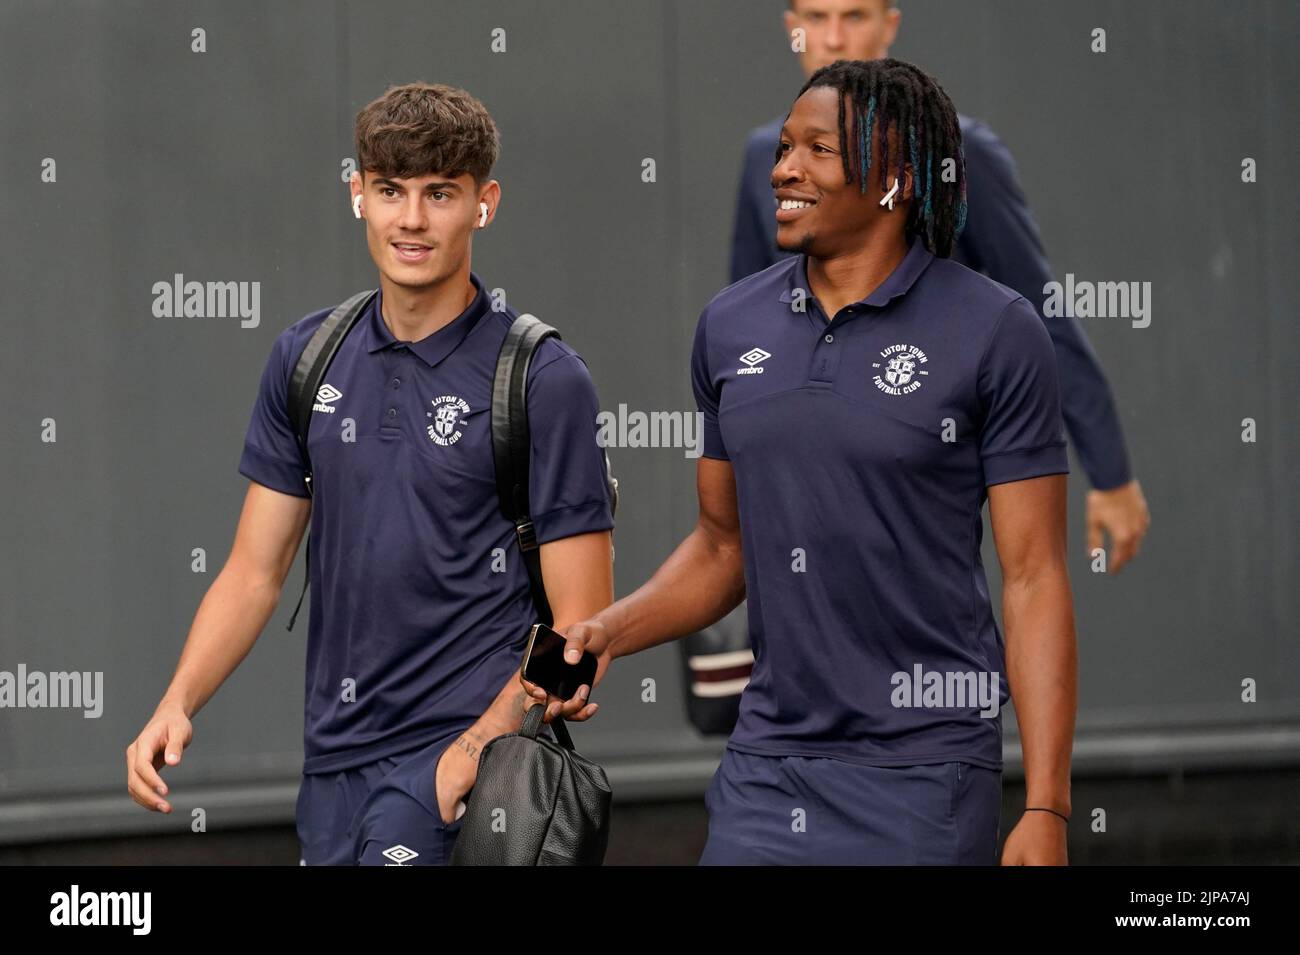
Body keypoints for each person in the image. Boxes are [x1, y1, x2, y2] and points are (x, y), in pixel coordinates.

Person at [529, 58, 1078, 864]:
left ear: (894, 175)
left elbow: (1034, 577)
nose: (784, 167)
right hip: (766, 769)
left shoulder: (997, 331)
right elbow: (724, 545)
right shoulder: (730, 325)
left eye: (817, 149)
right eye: (785, 147)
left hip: (926, 773)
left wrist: (1048, 805)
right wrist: (610, 629)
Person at [126, 82, 613, 865]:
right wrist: (177, 702)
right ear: (357, 193)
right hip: (331, 767)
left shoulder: (543, 378)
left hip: (458, 763)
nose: (411, 220)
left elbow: (584, 623)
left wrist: (474, 751)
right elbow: (254, 571)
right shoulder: (306, 356)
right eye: (389, 190)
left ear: (484, 202)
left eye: (439, 194)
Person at [731, 0, 1150, 566]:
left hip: (923, 453)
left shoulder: (958, 152)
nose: (832, 37)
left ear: (890, 26)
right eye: (815, 18)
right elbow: (751, 327)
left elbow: (1042, 312)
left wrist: (1111, 473)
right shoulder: (770, 159)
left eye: (853, 17)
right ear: (792, 30)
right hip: (808, 471)